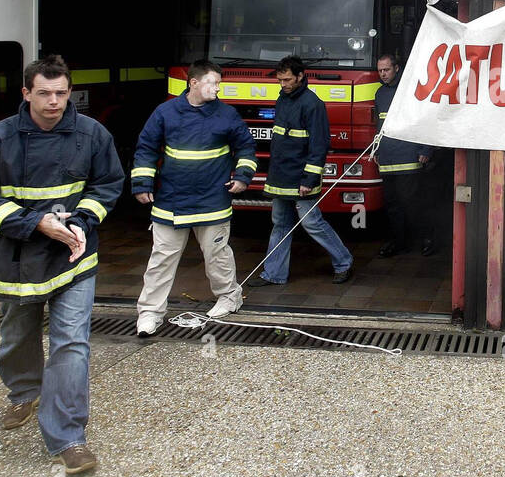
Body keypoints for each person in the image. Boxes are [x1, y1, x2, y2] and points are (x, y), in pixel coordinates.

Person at [0, 55, 123, 477]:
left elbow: (107, 184)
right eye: (45, 93)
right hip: (16, 261)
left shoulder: (92, 134)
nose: (54, 101)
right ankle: (23, 392)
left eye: (61, 93)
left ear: (70, 93)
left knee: (71, 343)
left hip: (73, 257)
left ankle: (69, 438)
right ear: (26, 93)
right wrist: (36, 224)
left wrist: (83, 221)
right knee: (18, 337)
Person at [131, 60, 257, 335]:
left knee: (217, 256)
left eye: (219, 84)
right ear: (194, 83)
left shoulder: (226, 115)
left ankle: (228, 297)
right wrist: (142, 182)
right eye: (212, 83)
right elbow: (146, 148)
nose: (217, 88)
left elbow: (246, 147)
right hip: (171, 200)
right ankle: (150, 314)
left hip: (212, 199)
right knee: (161, 259)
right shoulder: (165, 112)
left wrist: (243, 177)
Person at [250, 55, 354, 286]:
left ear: (300, 76)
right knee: (280, 223)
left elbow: (319, 145)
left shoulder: (312, 104)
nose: (283, 84)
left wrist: (309, 179)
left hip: (301, 178)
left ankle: (344, 262)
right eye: (280, 80)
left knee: (312, 223)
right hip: (281, 176)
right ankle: (274, 274)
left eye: (287, 80)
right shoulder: (283, 99)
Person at [373, 53, 436, 257]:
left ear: (397, 68)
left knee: (413, 203)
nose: (383, 74)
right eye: (380, 70)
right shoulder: (380, 94)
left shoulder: (411, 91)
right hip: (387, 158)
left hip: (409, 157)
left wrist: (426, 149)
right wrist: (376, 149)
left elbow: (424, 120)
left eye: (387, 69)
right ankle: (398, 242)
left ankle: (427, 238)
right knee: (392, 206)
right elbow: (380, 126)